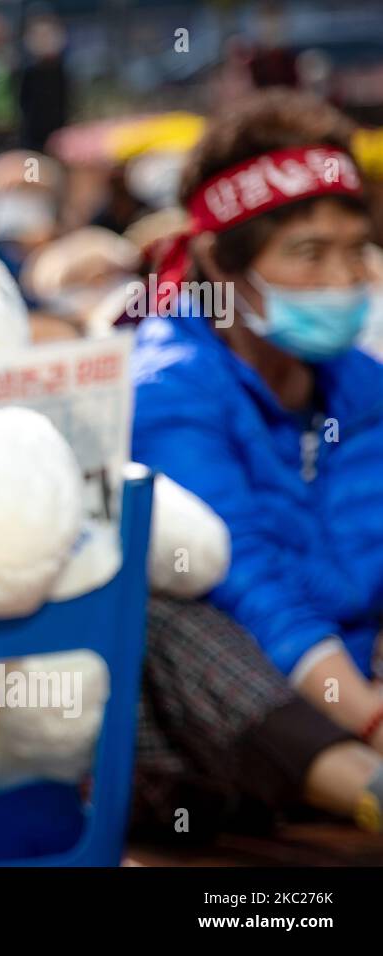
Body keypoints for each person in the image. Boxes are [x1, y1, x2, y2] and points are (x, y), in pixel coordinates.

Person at [130, 90, 383, 835]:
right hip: (228, 731)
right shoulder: (170, 390)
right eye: (308, 253)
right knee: (163, 608)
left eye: (354, 249)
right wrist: (364, 718)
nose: (342, 280)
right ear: (221, 261)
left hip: (356, 694)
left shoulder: (361, 385)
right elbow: (252, 586)